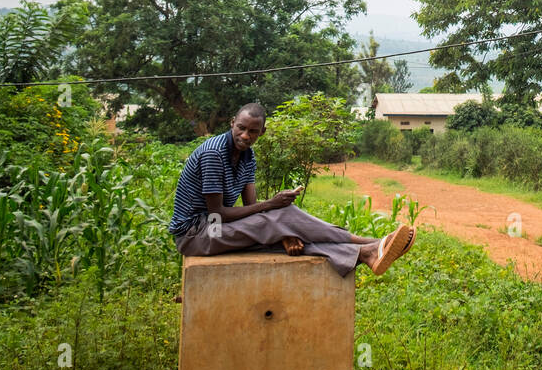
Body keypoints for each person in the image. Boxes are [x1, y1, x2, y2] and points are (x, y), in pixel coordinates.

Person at [168, 102, 414, 277]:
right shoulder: (214, 153)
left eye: (253, 131)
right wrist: (272, 209)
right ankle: (374, 242)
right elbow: (218, 214)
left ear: (261, 132)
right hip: (197, 232)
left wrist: (282, 230)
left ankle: (366, 253)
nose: (245, 135)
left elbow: (255, 210)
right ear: (232, 123)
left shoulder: (247, 156)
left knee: (289, 235)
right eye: (241, 128)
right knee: (280, 214)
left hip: (214, 228)